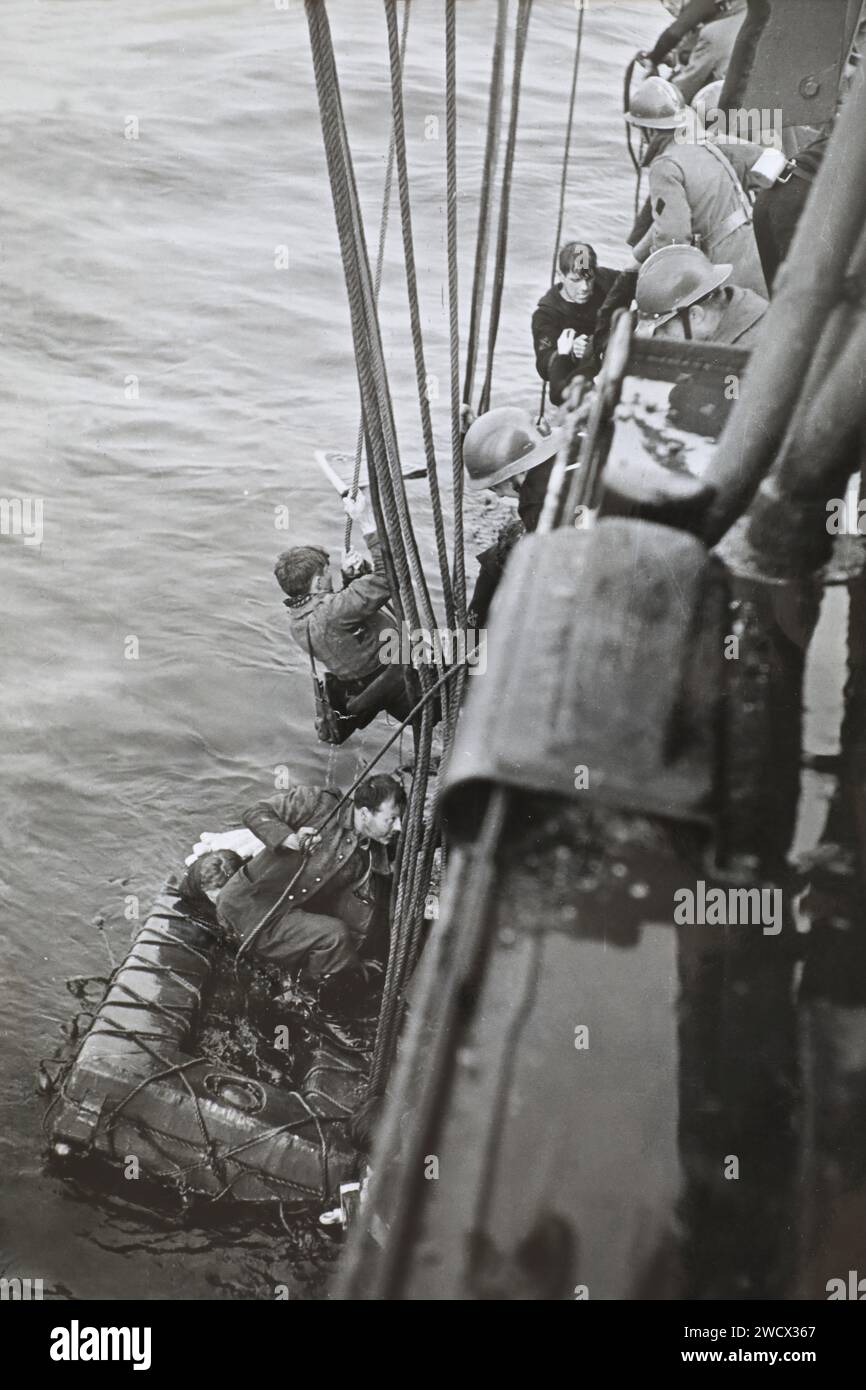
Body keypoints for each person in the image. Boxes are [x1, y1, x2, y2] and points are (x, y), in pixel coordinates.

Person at [216, 774, 406, 982]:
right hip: (245, 910)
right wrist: (290, 839)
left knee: (340, 936)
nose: (398, 827)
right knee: (335, 936)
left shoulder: (372, 852)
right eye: (391, 819)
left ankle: (299, 982)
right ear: (364, 813)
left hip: (287, 921)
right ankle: (309, 998)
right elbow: (256, 812)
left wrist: (349, 960)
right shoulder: (317, 803)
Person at [274, 491, 413, 729]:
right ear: (317, 583)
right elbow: (389, 579)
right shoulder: (331, 612)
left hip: (377, 689)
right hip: (406, 678)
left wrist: (349, 578)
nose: (330, 575)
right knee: (476, 648)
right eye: (327, 572)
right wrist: (366, 522)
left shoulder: (298, 622)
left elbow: (347, 630)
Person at [626, 76, 768, 297]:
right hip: (756, 254)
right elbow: (765, 161)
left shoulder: (664, 166)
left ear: (650, 130)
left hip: (726, 270)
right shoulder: (707, 141)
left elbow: (673, 238)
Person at [635, 244, 768, 436]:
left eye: (664, 332)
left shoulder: (746, 359)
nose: (664, 342)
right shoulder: (743, 305)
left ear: (695, 316)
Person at [463, 407, 564, 623]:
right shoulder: (570, 440)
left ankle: (468, 640)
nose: (498, 495)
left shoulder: (534, 501)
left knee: (495, 559)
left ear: (515, 474)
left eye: (495, 486)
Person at [531, 241, 618, 406]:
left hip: (610, 363)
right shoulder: (546, 314)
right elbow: (543, 365)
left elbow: (637, 281)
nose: (584, 287)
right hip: (576, 384)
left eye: (589, 278)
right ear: (560, 276)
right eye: (575, 280)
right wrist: (569, 351)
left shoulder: (604, 280)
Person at [635, 244, 768, 346]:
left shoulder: (749, 352)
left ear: (695, 315)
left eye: (665, 335)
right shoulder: (745, 306)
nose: (664, 345)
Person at [639, 0, 747, 105]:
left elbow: (679, 94)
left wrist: (653, 83)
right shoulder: (742, 14)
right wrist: (672, 58)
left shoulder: (713, 34)